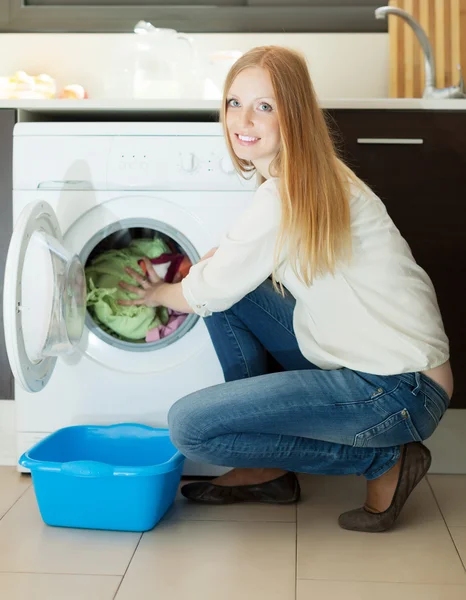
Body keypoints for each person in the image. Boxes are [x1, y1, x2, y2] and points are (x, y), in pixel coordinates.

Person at [118, 46, 454, 533]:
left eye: (265, 106)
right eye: (234, 102)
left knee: (188, 426)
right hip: (386, 366)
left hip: (398, 390)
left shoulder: (286, 192)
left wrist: (158, 294)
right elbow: (228, 273)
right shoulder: (310, 174)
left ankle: (383, 462)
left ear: (293, 115)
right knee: (237, 290)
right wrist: (206, 271)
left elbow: (203, 293)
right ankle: (266, 469)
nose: (242, 119)